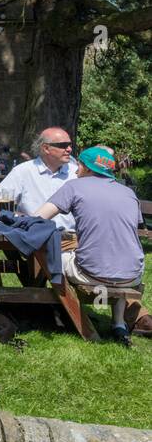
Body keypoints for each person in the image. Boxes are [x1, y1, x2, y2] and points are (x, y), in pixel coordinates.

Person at [35, 145, 150, 341]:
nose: (76, 169)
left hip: (90, 274)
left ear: (88, 168)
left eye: (79, 164)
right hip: (132, 275)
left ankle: (43, 307)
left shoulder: (73, 186)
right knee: (117, 258)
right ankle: (119, 324)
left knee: (50, 255)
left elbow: (39, 217)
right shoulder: (128, 193)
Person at [0, 127, 78, 232]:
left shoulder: (76, 173)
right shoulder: (23, 171)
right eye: (63, 145)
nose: (69, 149)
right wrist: (9, 213)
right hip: (33, 237)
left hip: (70, 239)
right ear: (46, 148)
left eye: (70, 145)